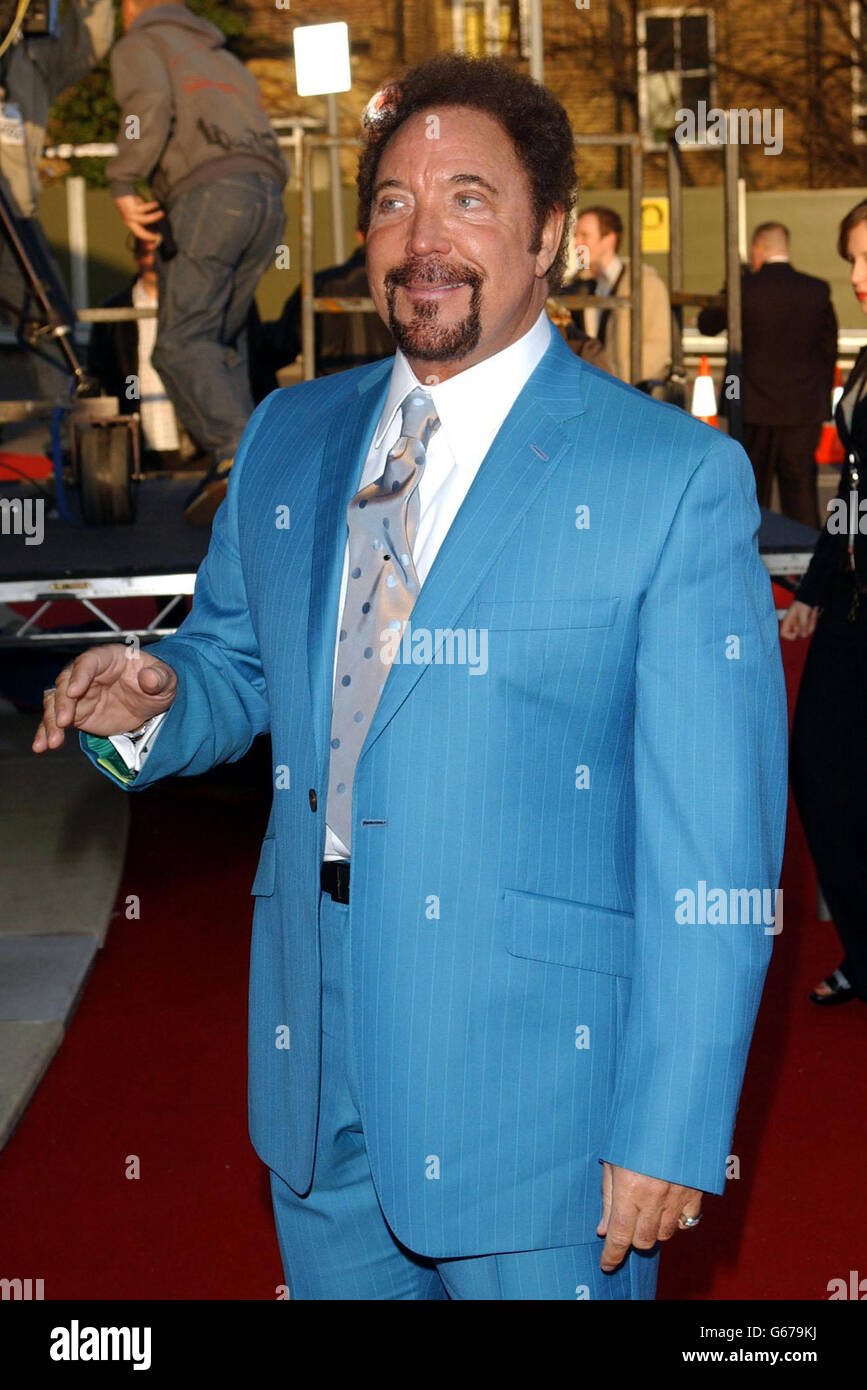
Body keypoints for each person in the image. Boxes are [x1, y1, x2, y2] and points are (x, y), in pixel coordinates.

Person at [34, 55, 788, 1302]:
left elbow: (715, 849)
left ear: (548, 235)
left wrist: (670, 1122)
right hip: (314, 1069)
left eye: (470, 201)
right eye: (393, 201)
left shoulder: (670, 479)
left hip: (543, 1106)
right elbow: (233, 664)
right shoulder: (290, 435)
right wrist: (156, 698)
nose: (422, 240)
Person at [106, 0, 288, 523]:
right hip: (266, 198)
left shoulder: (142, 41)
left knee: (181, 341)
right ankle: (242, 473)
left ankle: (243, 460)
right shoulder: (223, 57)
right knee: (222, 343)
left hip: (211, 195)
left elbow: (147, 105)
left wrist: (124, 179)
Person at [781, 199, 867, 1008]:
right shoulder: (866, 355)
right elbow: (850, 489)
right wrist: (812, 586)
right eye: (849, 259)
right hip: (847, 605)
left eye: (865, 258)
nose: (855, 277)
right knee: (817, 765)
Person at [0, 0, 113, 414]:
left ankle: (70, 435)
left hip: (17, 217)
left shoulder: (31, 63)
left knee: (52, 325)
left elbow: (91, 46)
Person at [87, 234, 271, 468]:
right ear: (136, 256)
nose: (155, 261)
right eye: (148, 252)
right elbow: (102, 372)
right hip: (140, 449)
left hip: (200, 446)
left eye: (163, 253)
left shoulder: (210, 305)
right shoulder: (113, 312)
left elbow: (254, 364)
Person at [698, 223, 838, 529]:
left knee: (753, 493)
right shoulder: (817, 289)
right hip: (803, 410)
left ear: (758, 248)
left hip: (752, 407)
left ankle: (754, 563)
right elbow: (829, 348)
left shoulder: (745, 288)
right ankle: (808, 565)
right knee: (800, 492)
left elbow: (706, 324)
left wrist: (730, 286)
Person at [253, 235, 394, 379]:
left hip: (335, 392)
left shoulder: (319, 286)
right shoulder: (408, 288)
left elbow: (280, 346)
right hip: (391, 394)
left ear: (358, 234)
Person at [564, 206, 671, 385]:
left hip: (627, 391)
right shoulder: (578, 287)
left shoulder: (645, 285)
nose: (576, 243)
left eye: (585, 236)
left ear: (609, 239)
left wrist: (619, 383)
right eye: (576, 236)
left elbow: (658, 346)